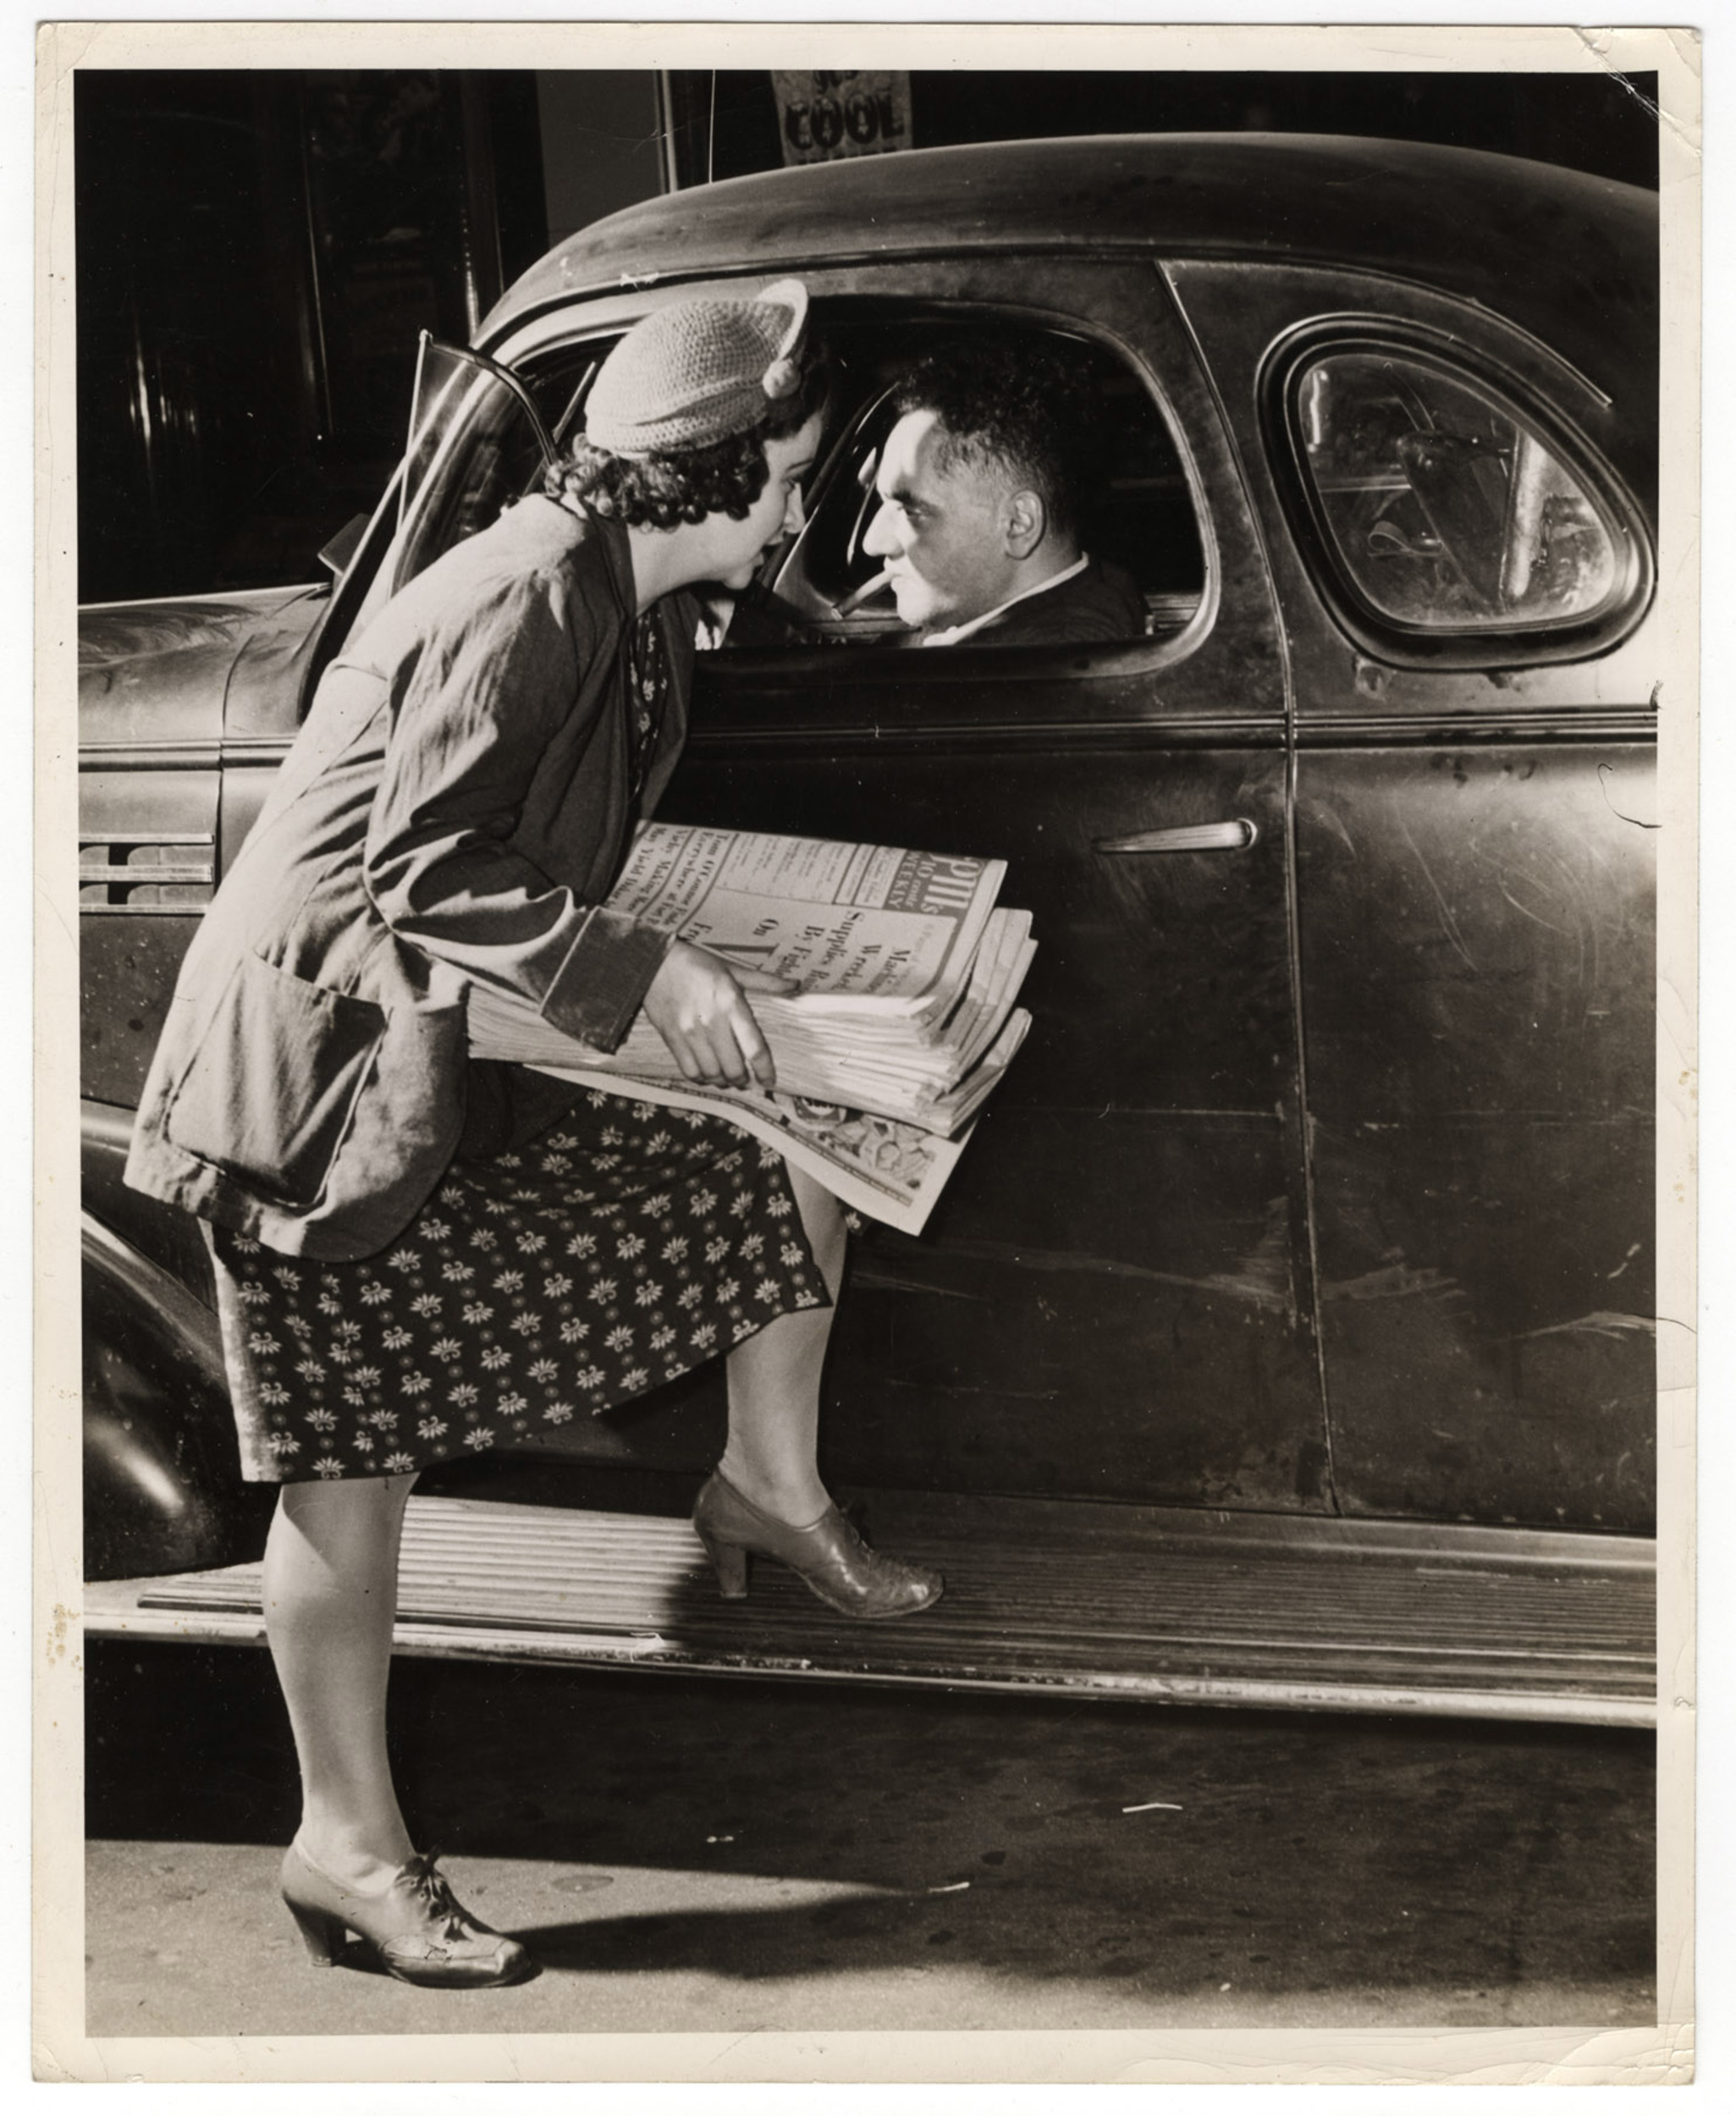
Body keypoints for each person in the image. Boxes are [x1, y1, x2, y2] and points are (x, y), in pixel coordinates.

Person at [123, 279, 941, 1992]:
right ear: (707, 474)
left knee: (795, 1133)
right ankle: (343, 1844)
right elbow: (421, 861)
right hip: (320, 1076)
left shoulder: (626, 595)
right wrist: (628, 962)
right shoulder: (523, 594)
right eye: (785, 474)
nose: (798, 504)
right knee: (350, 1463)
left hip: (433, 1030)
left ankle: (763, 1483)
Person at [862, 340, 1148, 647]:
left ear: (1018, 523)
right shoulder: (1101, 588)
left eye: (910, 511)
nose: (873, 544)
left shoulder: (1028, 674)